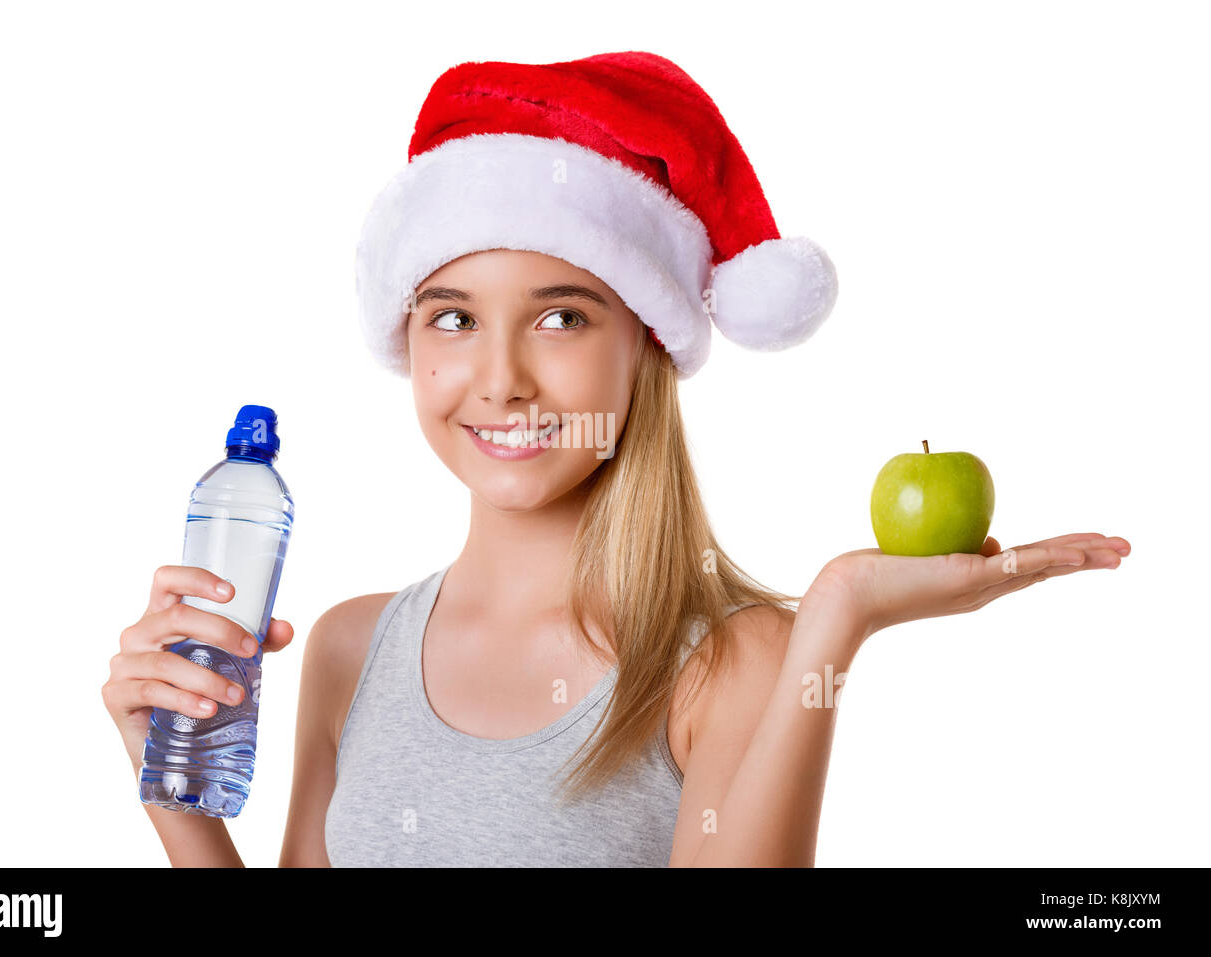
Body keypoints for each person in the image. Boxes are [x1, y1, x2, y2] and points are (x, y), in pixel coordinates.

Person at [102, 52, 1130, 867]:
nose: (499, 379)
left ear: (648, 345)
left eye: (560, 316)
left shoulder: (733, 664)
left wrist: (836, 616)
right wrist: (172, 782)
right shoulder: (345, 649)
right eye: (452, 316)